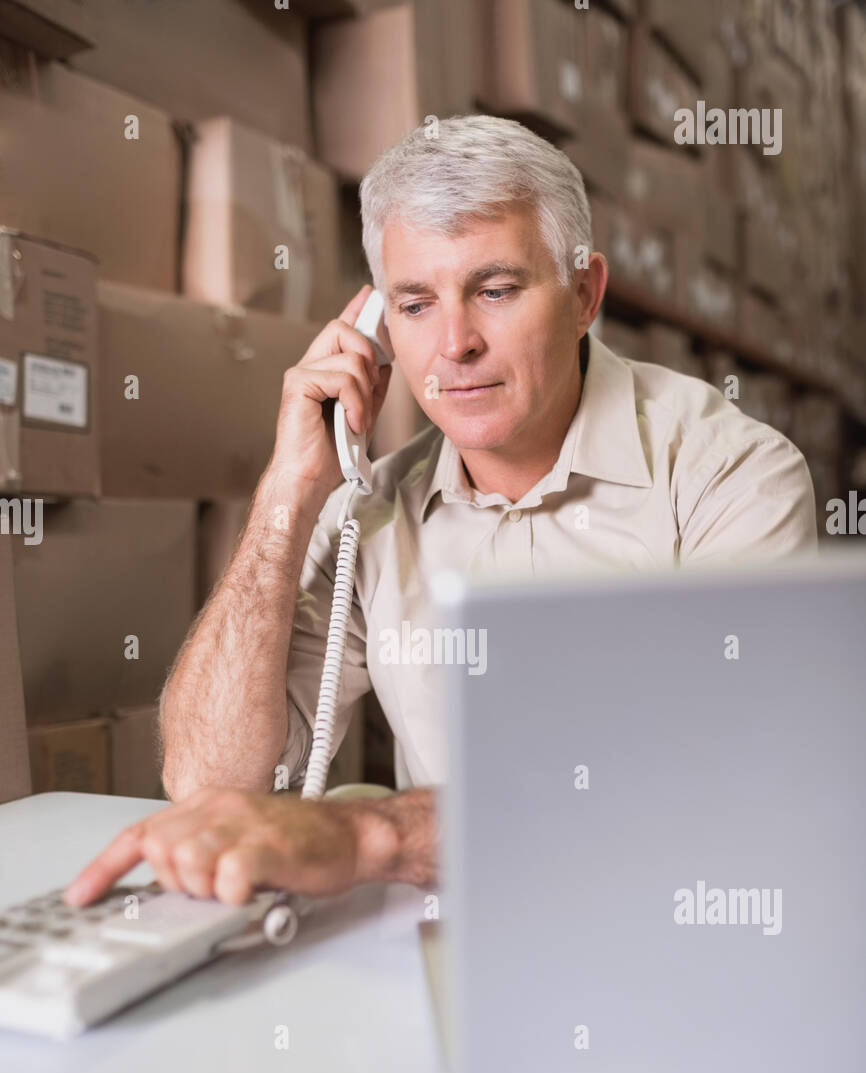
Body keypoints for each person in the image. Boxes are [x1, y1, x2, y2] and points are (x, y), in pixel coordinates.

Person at [65, 115, 816, 910]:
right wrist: (288, 491)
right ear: (376, 327)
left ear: (585, 294)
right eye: (415, 304)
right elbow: (207, 782)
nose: (454, 343)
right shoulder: (372, 512)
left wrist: (371, 834)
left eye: (495, 291)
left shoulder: (729, 477)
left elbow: (716, 784)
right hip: (444, 949)